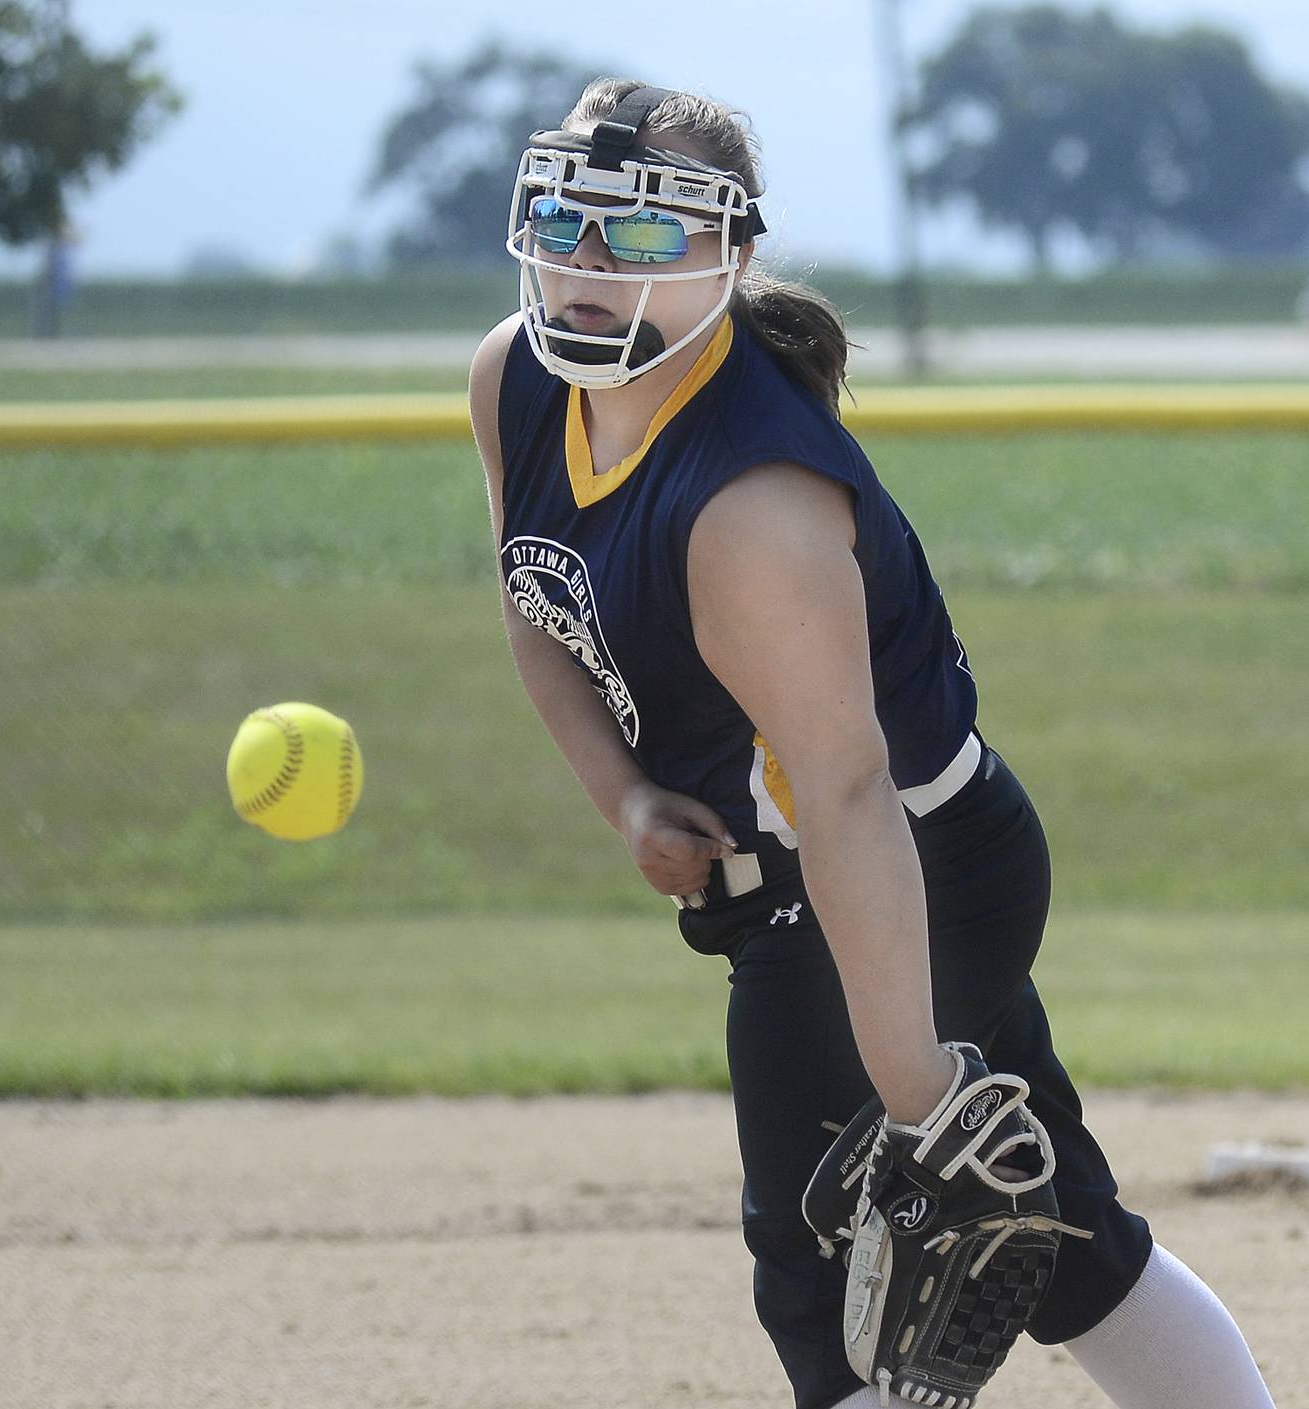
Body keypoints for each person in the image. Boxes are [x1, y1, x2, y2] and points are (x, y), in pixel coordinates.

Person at [467, 79, 1277, 1409]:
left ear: (732, 255)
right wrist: (624, 797)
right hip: (814, 869)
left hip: (906, 868)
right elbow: (532, 600)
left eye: (647, 232)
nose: (590, 263)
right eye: (566, 220)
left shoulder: (755, 506)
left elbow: (849, 796)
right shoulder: (517, 377)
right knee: (1065, 1245)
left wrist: (918, 1090)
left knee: (827, 1278)